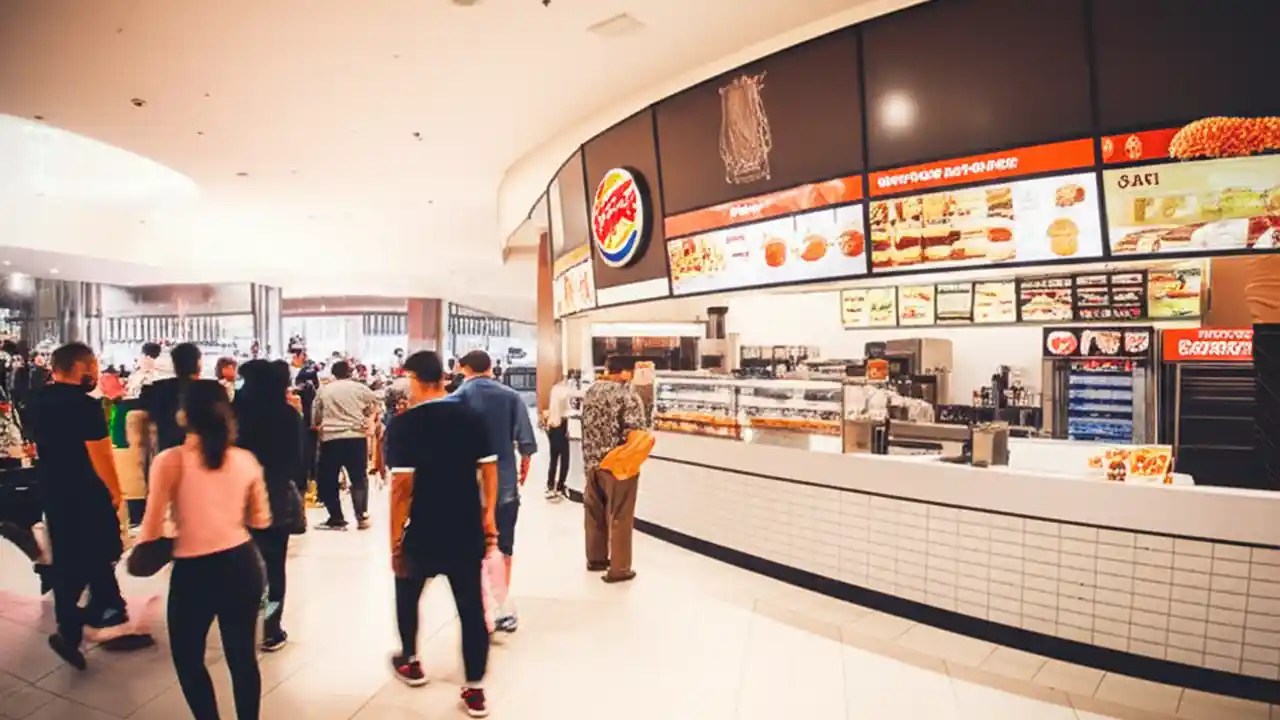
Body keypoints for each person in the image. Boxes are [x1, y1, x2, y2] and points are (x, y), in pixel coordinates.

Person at [137, 380, 270, 720]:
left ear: (183, 415)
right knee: (242, 658)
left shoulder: (170, 461)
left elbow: (151, 529)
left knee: (188, 658)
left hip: (194, 572)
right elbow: (261, 519)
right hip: (242, 563)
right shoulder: (245, 459)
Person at [386, 351, 496, 717]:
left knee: (407, 592)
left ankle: (412, 661)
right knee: (470, 608)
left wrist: (394, 541)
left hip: (423, 527)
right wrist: (489, 516)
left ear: (415, 378)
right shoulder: (471, 416)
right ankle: (475, 688)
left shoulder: (404, 425)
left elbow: (401, 487)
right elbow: (489, 470)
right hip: (465, 526)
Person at [24, 343, 127, 669]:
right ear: (81, 367)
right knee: (101, 550)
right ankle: (81, 621)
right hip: (87, 492)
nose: (96, 373)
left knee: (71, 554)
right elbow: (101, 455)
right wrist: (116, 491)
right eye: (93, 367)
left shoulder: (37, 401)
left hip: (54, 490)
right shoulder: (85, 407)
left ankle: (99, 612)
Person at [453, 350, 536, 633]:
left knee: (470, 548)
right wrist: (524, 465)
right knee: (503, 546)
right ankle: (501, 608)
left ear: (464, 369)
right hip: (503, 485)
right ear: (490, 367)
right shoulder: (510, 396)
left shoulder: (456, 398)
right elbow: (526, 441)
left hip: (464, 486)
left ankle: (478, 607)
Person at [233, 360, 303, 652]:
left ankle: (238, 624)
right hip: (275, 497)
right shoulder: (287, 415)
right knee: (274, 565)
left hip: (235, 498)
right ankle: (271, 630)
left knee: (238, 565)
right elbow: (299, 460)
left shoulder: (234, 413)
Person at [580, 356, 648, 583]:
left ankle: (596, 559)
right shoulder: (627, 396)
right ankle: (619, 569)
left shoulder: (591, 392)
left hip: (591, 462)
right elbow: (636, 432)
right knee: (620, 515)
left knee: (594, 513)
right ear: (626, 373)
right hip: (617, 465)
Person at [312, 359, 378, 530]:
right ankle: (361, 515)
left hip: (331, 439)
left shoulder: (324, 390)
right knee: (358, 478)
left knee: (329, 478)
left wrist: (319, 425)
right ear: (350, 372)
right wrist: (368, 418)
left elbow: (316, 417)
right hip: (356, 437)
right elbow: (376, 404)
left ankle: (336, 517)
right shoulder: (360, 388)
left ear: (333, 373)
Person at [136, 343, 203, 455]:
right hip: (203, 457)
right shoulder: (211, 390)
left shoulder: (157, 389)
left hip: (166, 453)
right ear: (198, 362)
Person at [544, 375, 572, 501]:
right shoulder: (563, 390)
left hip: (553, 427)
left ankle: (550, 485)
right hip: (560, 426)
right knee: (565, 459)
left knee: (554, 459)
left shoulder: (555, 389)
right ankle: (560, 485)